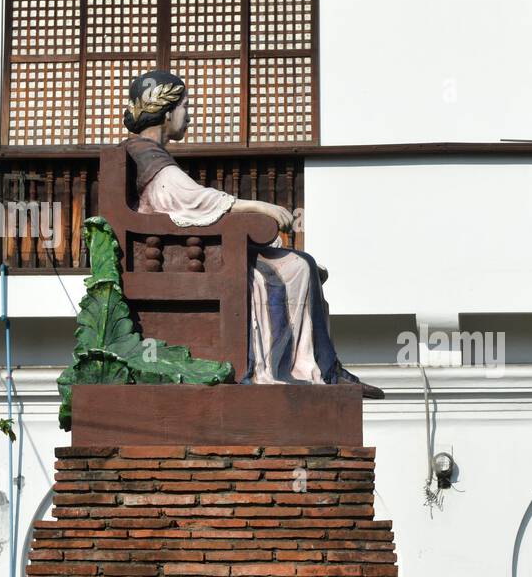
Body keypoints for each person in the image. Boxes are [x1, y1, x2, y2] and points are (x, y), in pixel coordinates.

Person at [121, 69, 381, 398]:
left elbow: (195, 203)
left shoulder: (146, 155)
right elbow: (195, 201)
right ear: (167, 109)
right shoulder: (148, 157)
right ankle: (290, 370)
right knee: (298, 267)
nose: (188, 116)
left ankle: (321, 366)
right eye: (185, 106)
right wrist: (258, 207)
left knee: (303, 265)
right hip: (189, 259)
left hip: (191, 250)